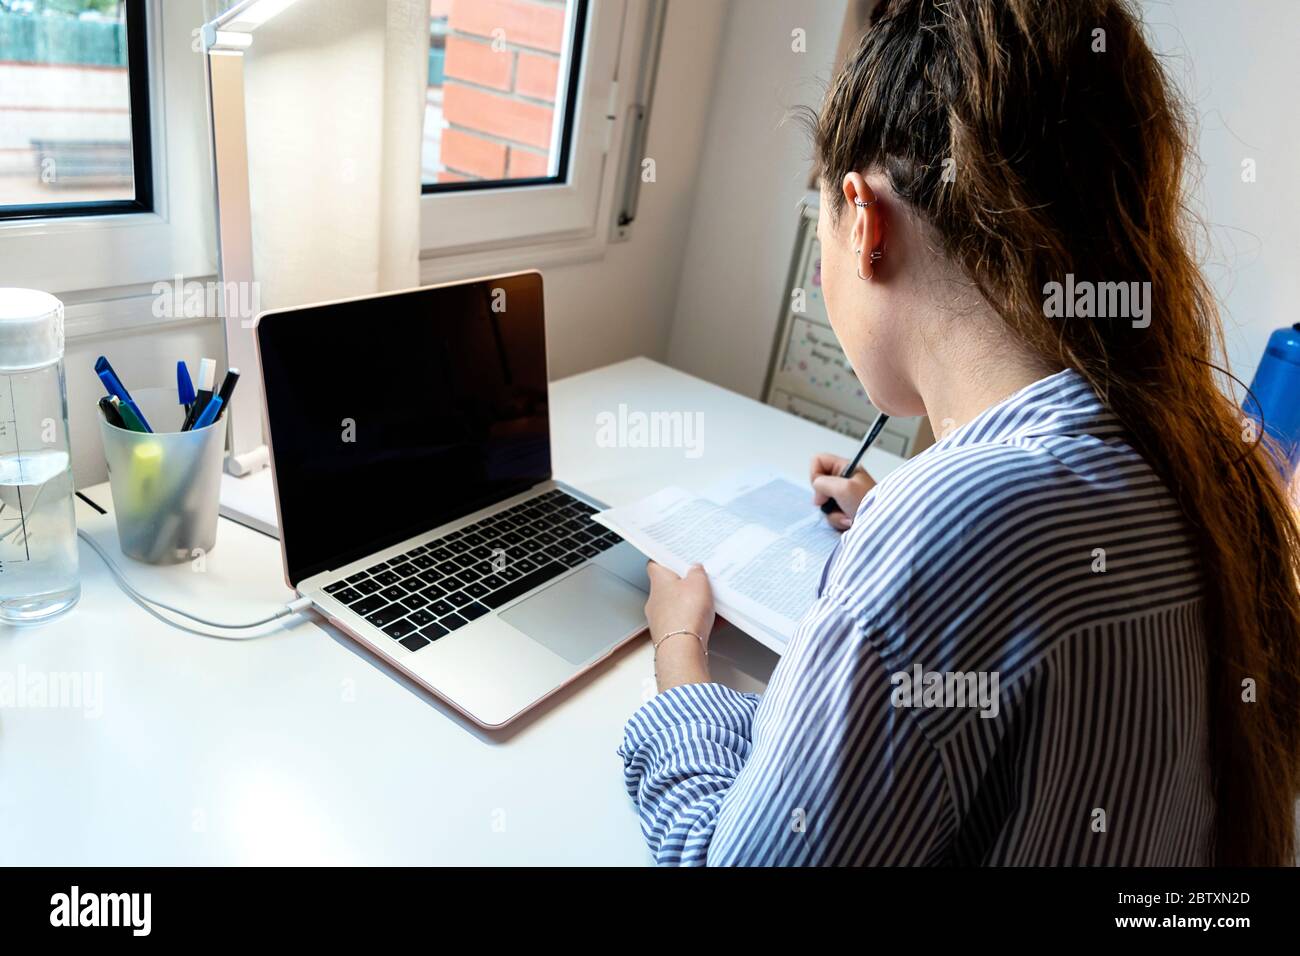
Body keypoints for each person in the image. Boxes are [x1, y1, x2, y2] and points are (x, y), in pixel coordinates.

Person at [618, 0, 1300, 866]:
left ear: (864, 224)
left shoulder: (955, 521)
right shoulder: (1208, 461)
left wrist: (680, 650)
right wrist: (894, 531)